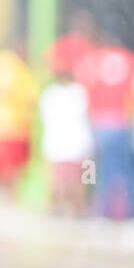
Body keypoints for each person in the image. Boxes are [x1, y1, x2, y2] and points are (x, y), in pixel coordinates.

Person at [72, 37, 134, 219]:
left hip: (99, 122)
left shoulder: (94, 60)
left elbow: (82, 84)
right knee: (124, 169)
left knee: (94, 168)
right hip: (121, 122)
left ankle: (98, 211)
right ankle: (130, 212)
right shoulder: (131, 60)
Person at [0, 47, 38, 191]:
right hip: (14, 126)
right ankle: (8, 193)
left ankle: (3, 192)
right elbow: (31, 99)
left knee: (2, 165)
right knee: (11, 167)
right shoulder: (19, 71)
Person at [39, 69, 93, 216]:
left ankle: (55, 208)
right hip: (80, 143)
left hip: (56, 144)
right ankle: (78, 208)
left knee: (57, 179)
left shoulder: (49, 94)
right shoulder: (79, 92)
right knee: (83, 179)